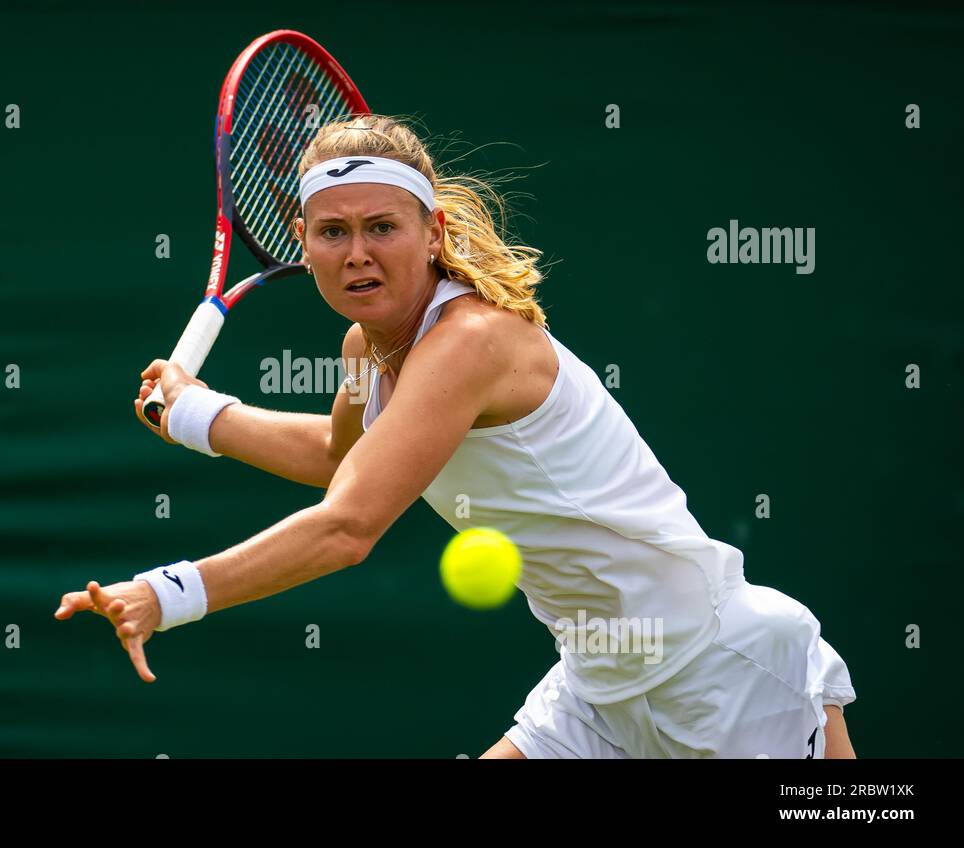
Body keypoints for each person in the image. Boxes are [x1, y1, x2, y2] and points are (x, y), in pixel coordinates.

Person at [54, 114, 856, 758]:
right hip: (601, 685)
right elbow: (343, 461)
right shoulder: (367, 349)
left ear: (432, 232)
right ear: (303, 243)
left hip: (718, 671)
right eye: (332, 233)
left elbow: (350, 525)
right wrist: (198, 414)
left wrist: (165, 593)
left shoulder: (472, 342)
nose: (357, 253)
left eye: (382, 227)